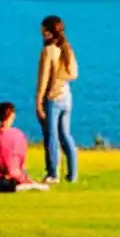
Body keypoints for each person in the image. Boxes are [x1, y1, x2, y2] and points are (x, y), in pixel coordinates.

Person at [36, 15, 79, 183]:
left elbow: (43, 78)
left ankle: (53, 173)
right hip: (66, 96)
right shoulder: (66, 48)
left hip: (53, 99)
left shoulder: (48, 51)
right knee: (66, 135)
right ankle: (72, 174)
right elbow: (74, 73)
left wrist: (39, 100)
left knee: (51, 135)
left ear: (47, 31)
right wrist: (60, 81)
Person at [0, 102, 48, 192]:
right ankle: (30, 185)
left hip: (0, 178)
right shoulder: (20, 135)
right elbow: (22, 159)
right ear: (12, 116)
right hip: (18, 175)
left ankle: (23, 186)